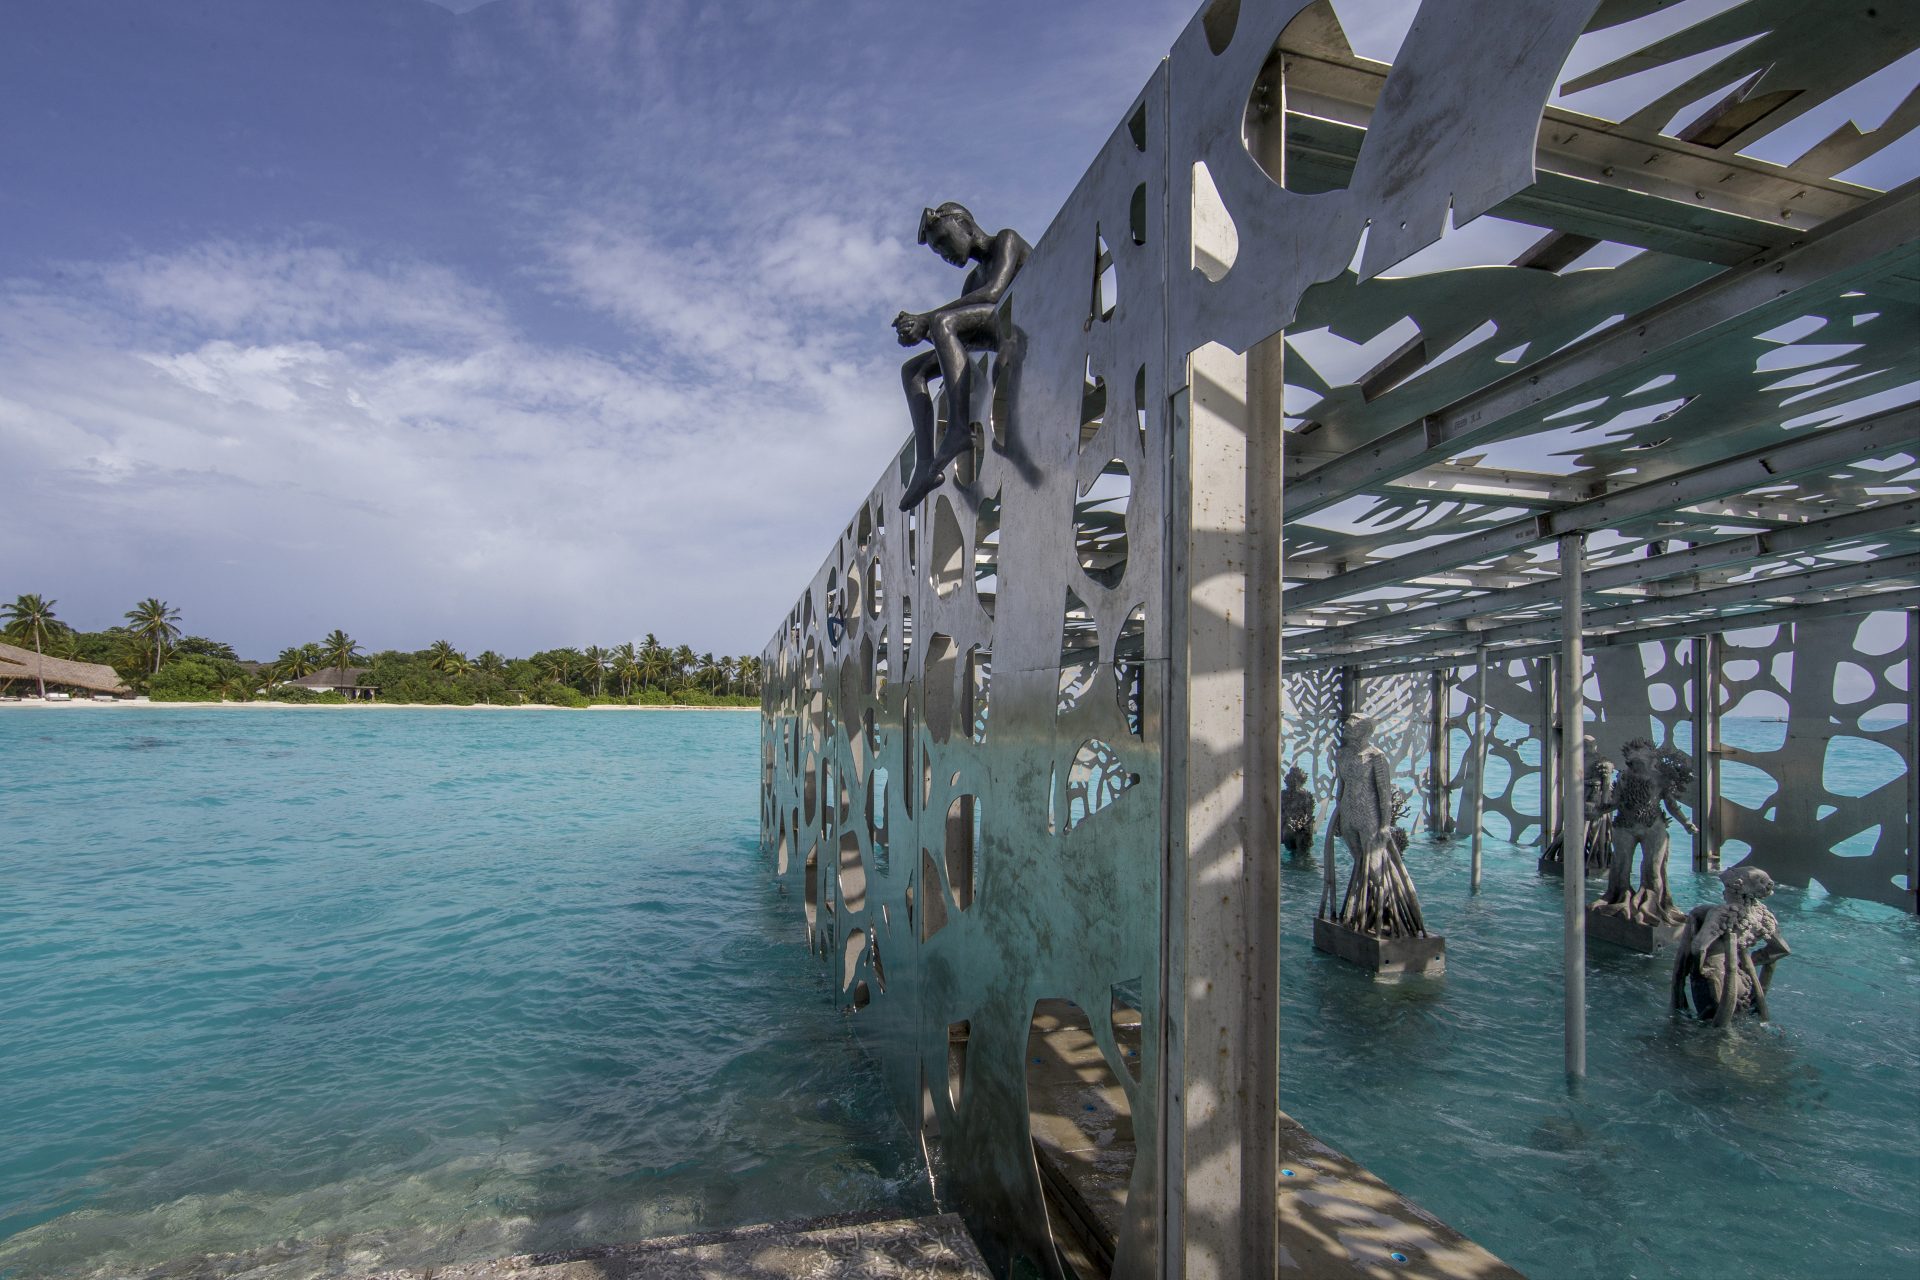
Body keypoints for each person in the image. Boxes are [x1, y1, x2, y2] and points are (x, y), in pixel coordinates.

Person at [894, 203, 1030, 510]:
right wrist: (917, 330)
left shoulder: (1005, 241)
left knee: (943, 321)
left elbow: (995, 294)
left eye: (944, 243)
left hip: (1024, 322)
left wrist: (926, 319)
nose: (945, 255)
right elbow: (959, 341)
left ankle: (957, 429)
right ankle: (925, 465)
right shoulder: (971, 282)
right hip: (995, 333)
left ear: (965, 226)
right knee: (912, 370)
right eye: (938, 252)